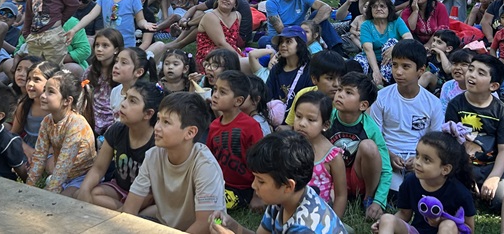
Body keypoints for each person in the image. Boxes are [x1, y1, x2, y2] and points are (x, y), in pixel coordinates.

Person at [122, 91, 225, 233]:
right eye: (158, 119)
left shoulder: (205, 165)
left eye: (166, 122)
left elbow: (205, 223)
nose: (157, 127)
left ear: (190, 133)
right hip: (165, 226)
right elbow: (129, 210)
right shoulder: (153, 156)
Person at [209, 130, 349, 234]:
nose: (253, 185)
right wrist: (232, 225)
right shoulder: (283, 199)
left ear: (288, 186)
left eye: (261, 181)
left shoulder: (304, 228)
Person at [369, 40, 444, 191]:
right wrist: (389, 156)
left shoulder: (433, 103)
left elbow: (436, 140)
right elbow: (374, 135)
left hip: (419, 158)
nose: (398, 71)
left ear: (421, 70)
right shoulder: (381, 97)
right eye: (394, 65)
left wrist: (419, 158)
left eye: (406, 66)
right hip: (386, 157)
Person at [77, 81, 162, 210]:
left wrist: (123, 213)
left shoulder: (157, 143)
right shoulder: (117, 129)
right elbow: (98, 169)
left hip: (144, 199)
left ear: (148, 114)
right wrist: (84, 189)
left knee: (150, 211)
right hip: (119, 189)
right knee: (90, 194)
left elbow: (150, 194)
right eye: (125, 97)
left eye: (132, 101)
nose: (123, 104)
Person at [372, 131, 477, 234]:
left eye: (426, 159)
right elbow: (404, 214)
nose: (417, 162)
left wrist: (440, 222)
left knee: (448, 225)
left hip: (447, 230)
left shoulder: (460, 192)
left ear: (445, 169)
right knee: (386, 219)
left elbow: (469, 229)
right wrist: (382, 224)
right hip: (417, 231)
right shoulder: (410, 182)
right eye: (417, 155)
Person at [445, 53, 504, 202]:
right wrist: (466, 174)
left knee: (501, 199)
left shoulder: (501, 110)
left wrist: (494, 178)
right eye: (471, 69)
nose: (471, 75)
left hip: (491, 165)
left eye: (480, 73)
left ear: (493, 86)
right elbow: (452, 145)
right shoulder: (455, 105)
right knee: (456, 195)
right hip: (463, 165)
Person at [327, 72, 391, 220]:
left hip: (358, 178)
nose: (340, 95)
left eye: (348, 92)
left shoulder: (370, 128)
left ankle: (367, 199)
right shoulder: (327, 117)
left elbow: (386, 168)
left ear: (363, 105)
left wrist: (378, 201)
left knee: (368, 146)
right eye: (340, 90)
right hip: (333, 176)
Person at [25, 69, 96, 194]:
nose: (43, 95)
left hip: (82, 177)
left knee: (61, 200)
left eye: (50, 92)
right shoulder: (47, 120)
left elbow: (64, 164)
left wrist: (51, 191)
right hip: (63, 174)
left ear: (67, 101)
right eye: (45, 90)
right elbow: (39, 156)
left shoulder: (76, 126)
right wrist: (28, 187)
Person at [209, 71, 265, 210]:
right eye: (215, 89)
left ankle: (217, 224)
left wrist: (257, 196)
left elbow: (261, 162)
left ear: (238, 101)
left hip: (243, 188)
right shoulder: (214, 125)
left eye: (222, 92)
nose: (215, 95)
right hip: (218, 184)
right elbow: (209, 158)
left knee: (218, 205)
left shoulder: (251, 126)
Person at [291, 91, 347, 215]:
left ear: (325, 125)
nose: (302, 123)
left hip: (319, 216)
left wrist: (334, 225)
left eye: (311, 120)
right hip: (290, 211)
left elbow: (341, 195)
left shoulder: (332, 156)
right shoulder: (287, 147)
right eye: (298, 116)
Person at [355, 0, 413, 87]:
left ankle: (384, 82)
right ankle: (362, 85)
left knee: (392, 42)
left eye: (382, 6)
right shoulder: (366, 25)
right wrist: (376, 71)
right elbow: (367, 49)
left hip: (390, 58)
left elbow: (409, 38)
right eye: (375, 7)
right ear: (371, 10)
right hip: (370, 58)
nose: (378, 9)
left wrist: (395, 48)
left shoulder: (396, 21)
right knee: (357, 63)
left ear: (389, 9)